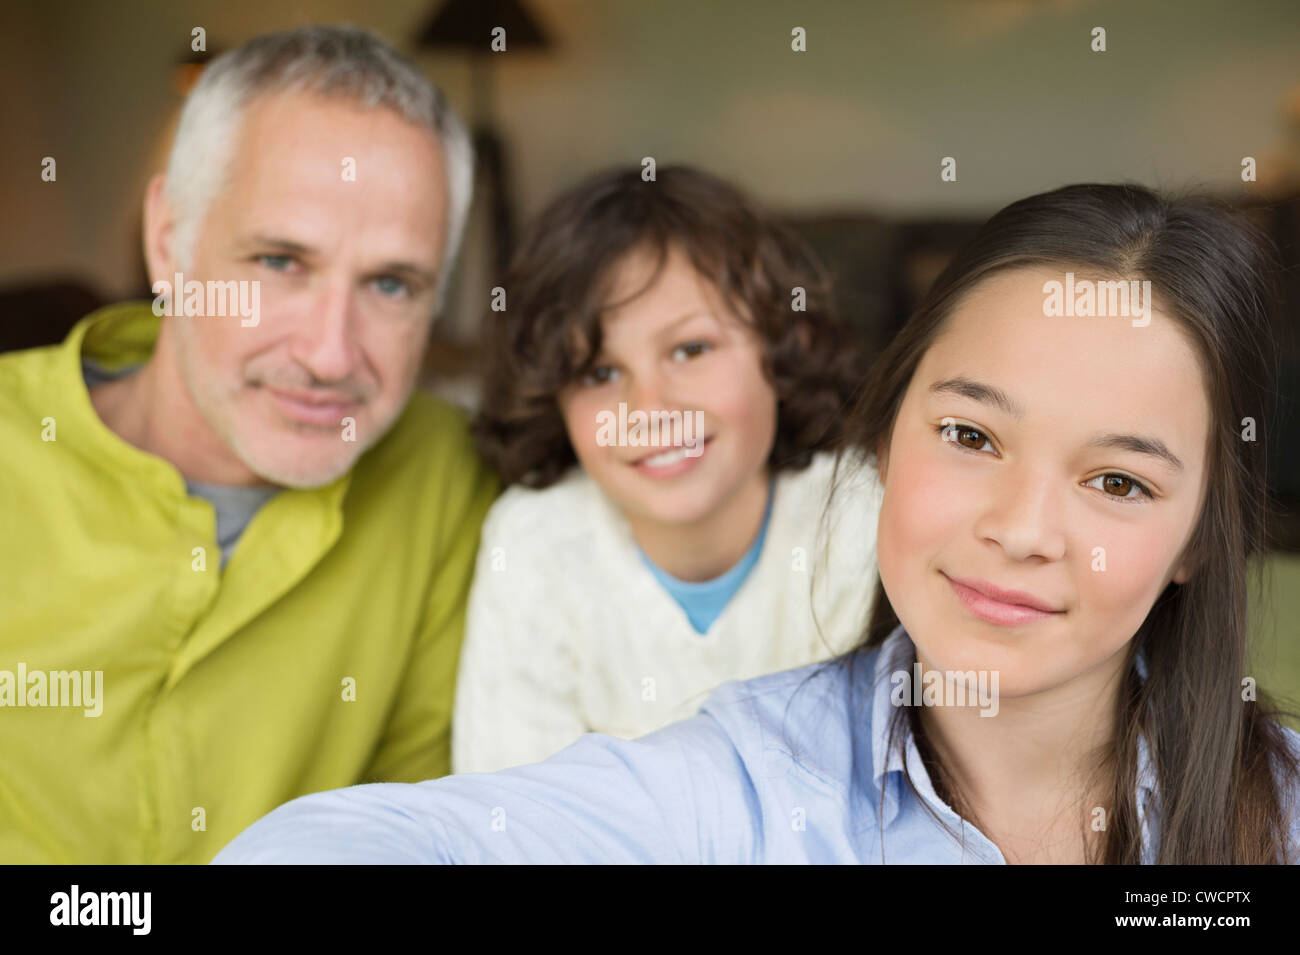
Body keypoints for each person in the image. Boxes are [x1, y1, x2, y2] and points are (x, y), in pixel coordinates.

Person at [214, 182, 1300, 865]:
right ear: (885, 442)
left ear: (1203, 534)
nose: (1021, 530)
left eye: (1117, 482)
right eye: (971, 436)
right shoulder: (739, 780)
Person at [0, 25, 498, 863]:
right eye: (279, 260)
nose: (330, 354)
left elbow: (423, 821)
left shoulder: (448, 472)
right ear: (169, 240)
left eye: (390, 283)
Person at [451, 164, 884, 773]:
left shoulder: (859, 518)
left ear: (783, 350)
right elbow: (512, 813)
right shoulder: (535, 541)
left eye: (691, 349)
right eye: (599, 373)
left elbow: (869, 805)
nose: (649, 408)